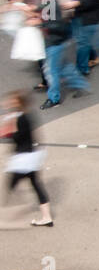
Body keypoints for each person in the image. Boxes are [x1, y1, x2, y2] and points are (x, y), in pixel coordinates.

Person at [1, 91, 54, 227]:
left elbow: (17, 137)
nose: (8, 103)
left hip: (23, 160)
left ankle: (11, 216)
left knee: (11, 185)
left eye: (12, 101)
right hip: (32, 158)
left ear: (18, 103)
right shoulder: (25, 115)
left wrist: (9, 128)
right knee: (36, 185)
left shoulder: (20, 118)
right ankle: (46, 217)